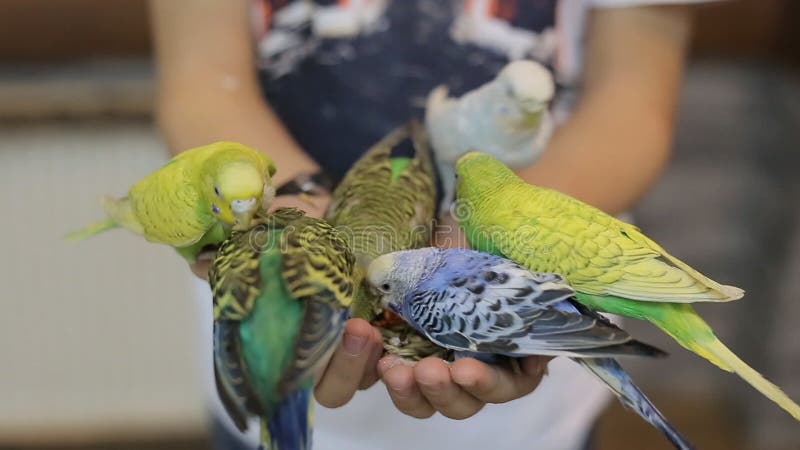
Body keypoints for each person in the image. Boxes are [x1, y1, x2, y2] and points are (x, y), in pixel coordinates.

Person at [149, 1, 699, 448]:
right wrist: (294, 206)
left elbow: (631, 103)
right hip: (274, 351)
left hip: (529, 420)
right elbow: (201, 81)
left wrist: (487, 238)